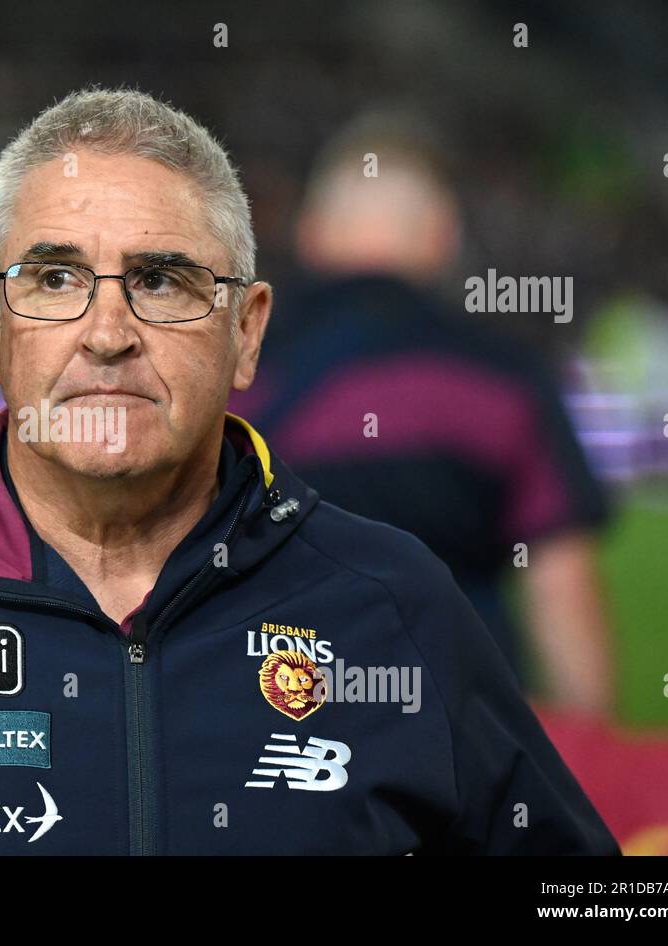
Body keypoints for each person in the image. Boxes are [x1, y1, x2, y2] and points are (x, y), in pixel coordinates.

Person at [0, 86, 618, 855]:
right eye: (53, 279)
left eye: (163, 280)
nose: (107, 332)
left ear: (247, 332)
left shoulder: (393, 607)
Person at [249, 115, 615, 714]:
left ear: (311, 235)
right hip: (465, 731)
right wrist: (589, 763)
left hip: (282, 725)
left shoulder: (236, 380)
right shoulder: (504, 380)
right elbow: (562, 588)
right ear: (444, 235)